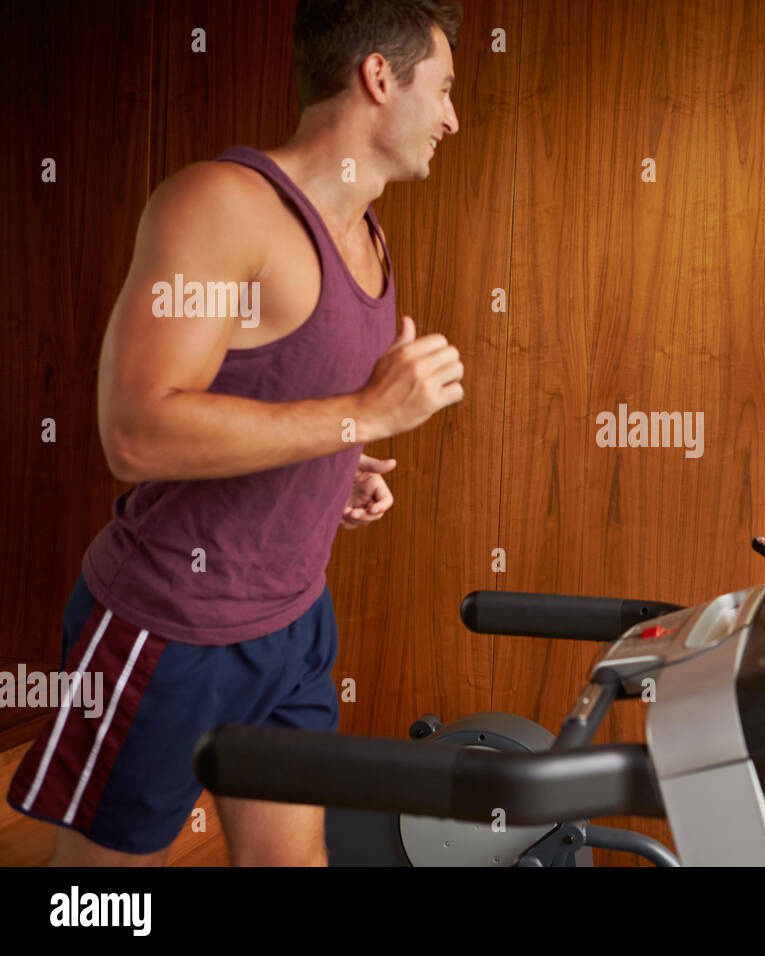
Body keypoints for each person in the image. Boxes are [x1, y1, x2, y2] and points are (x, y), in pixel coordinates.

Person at [6, 0, 466, 866]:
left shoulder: (365, 234)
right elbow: (137, 431)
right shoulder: (224, 206)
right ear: (378, 76)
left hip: (292, 621)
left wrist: (339, 467)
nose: (451, 116)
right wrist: (362, 414)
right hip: (169, 627)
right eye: (442, 89)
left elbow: (272, 402)